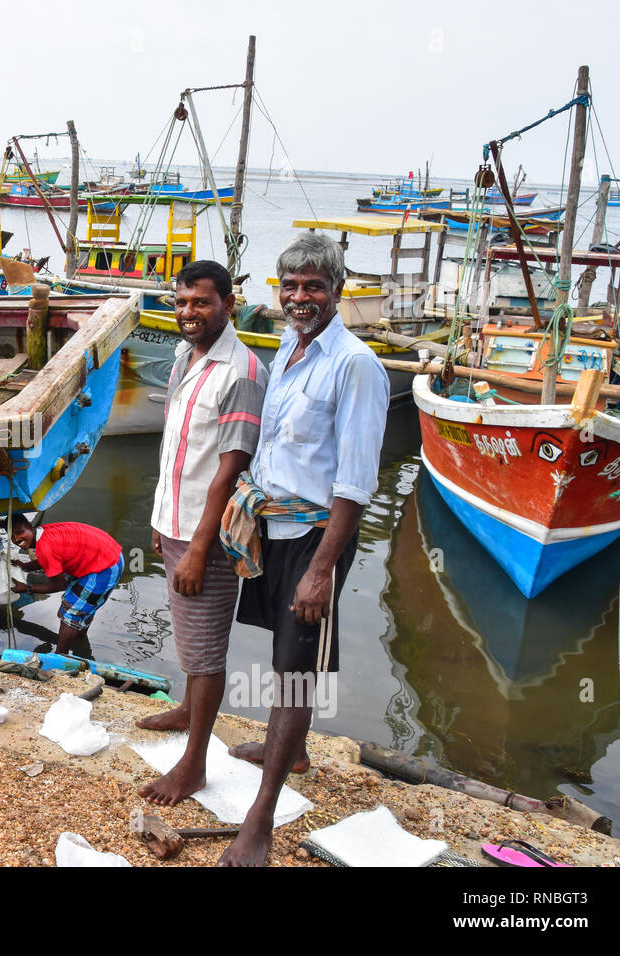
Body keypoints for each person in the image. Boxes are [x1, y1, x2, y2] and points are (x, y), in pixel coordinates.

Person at [216, 233, 389, 867]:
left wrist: (322, 572)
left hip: (316, 539)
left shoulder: (355, 365)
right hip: (274, 525)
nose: (299, 297)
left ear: (337, 291)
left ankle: (260, 818)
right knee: (283, 650)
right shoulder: (291, 345)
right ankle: (294, 749)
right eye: (289, 286)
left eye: (313, 286)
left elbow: (354, 482)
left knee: (295, 672)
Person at [135, 259, 268, 806]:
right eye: (182, 301)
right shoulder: (183, 359)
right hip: (174, 523)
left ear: (228, 305)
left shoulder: (241, 371)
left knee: (206, 650)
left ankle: (194, 765)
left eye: (202, 302)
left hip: (204, 536)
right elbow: (177, 450)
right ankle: (189, 710)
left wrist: (197, 548)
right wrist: (158, 519)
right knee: (189, 636)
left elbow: (231, 469)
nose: (188, 312)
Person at [9, 515, 124, 656]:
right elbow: (50, 558)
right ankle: (79, 642)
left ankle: (60, 659)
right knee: (83, 607)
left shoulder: (45, 546)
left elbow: (58, 584)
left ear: (29, 525)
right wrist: (26, 567)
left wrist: (27, 588)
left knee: (71, 610)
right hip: (107, 555)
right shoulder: (43, 533)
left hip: (105, 566)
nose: (16, 539)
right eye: (12, 537)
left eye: (20, 532)